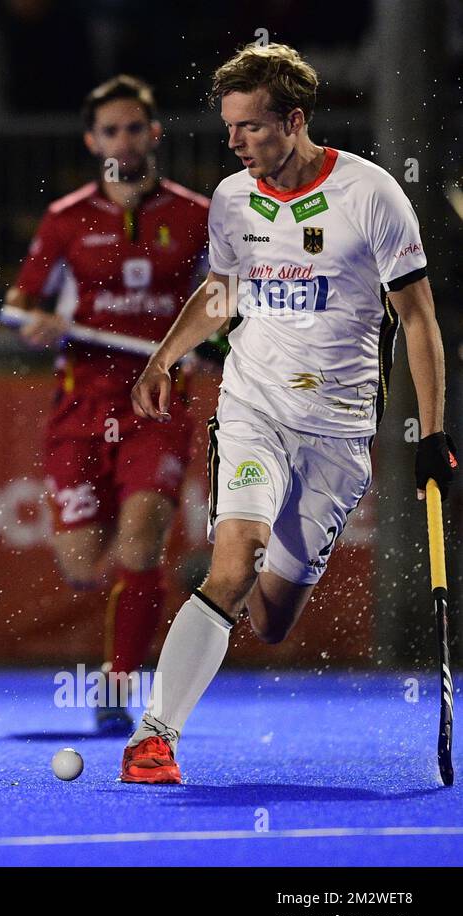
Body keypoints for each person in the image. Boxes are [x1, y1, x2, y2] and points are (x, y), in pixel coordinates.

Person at [124, 43, 456, 783]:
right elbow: (221, 292)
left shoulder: (372, 195)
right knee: (235, 557)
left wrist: (434, 435)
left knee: (271, 622)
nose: (235, 143)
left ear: (294, 120)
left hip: (337, 433)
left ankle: (224, 601)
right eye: (229, 128)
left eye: (248, 127)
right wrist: (165, 356)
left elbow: (420, 321)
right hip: (254, 409)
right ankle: (156, 735)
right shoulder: (234, 198)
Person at [4, 75, 211, 733]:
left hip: (158, 403)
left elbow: (226, 301)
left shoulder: (199, 215)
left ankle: (119, 685)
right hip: (80, 410)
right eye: (110, 130)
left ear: (154, 134)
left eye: (134, 127)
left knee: (142, 536)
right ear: (94, 141)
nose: (123, 140)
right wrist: (34, 323)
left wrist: (215, 342)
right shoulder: (66, 219)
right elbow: (22, 304)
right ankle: (165, 577)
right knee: (85, 566)